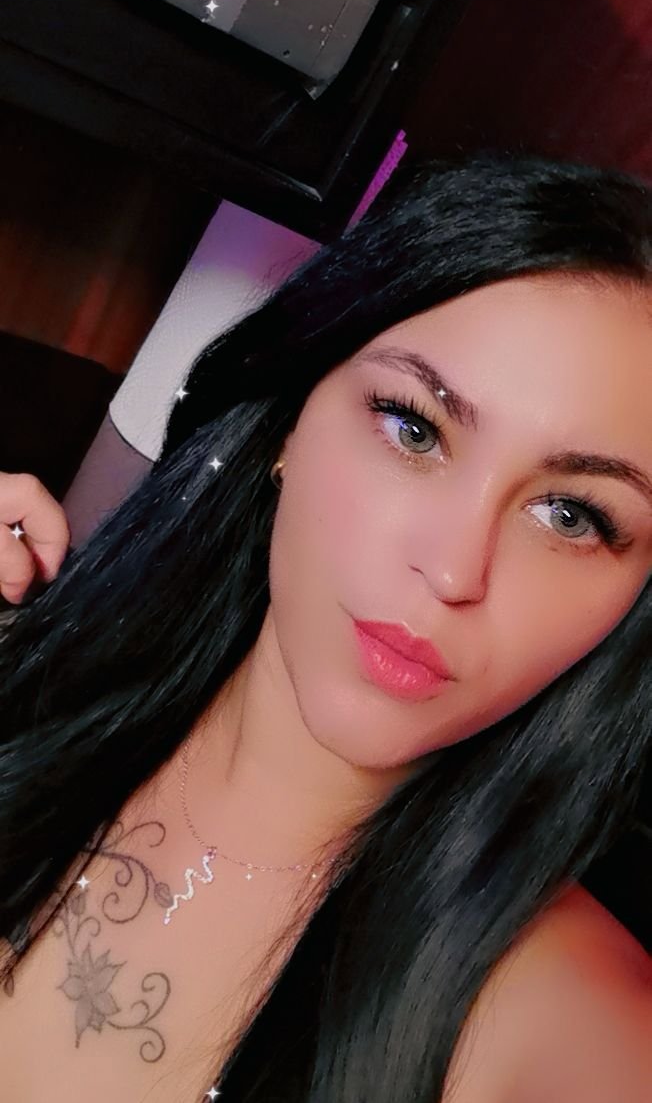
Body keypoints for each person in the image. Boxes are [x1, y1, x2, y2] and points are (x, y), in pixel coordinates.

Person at [0, 150, 650, 1103]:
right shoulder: (26, 685)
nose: (453, 571)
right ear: (291, 423)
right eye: (415, 428)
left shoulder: (577, 1036)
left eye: (571, 515)